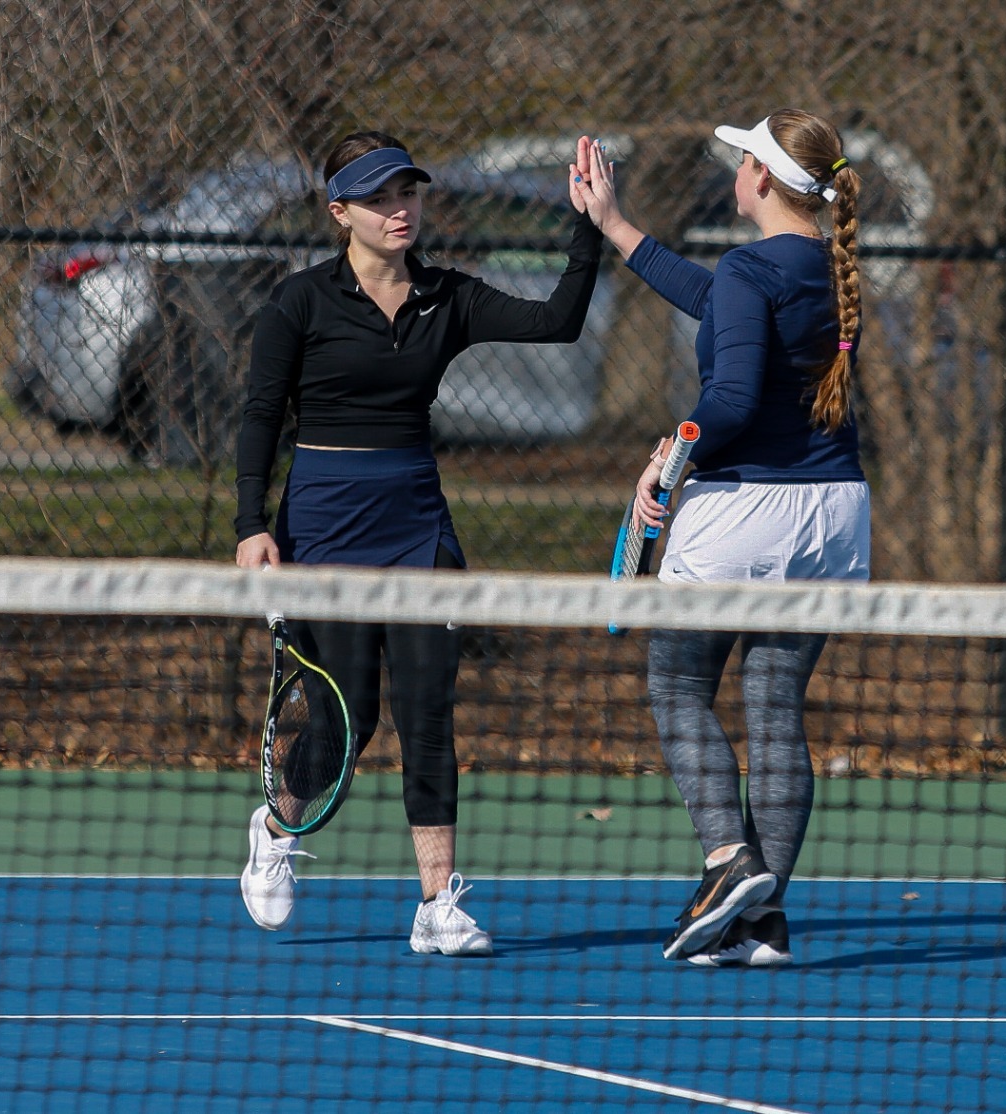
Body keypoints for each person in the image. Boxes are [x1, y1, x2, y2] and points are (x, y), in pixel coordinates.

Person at [235, 131, 602, 955]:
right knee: (347, 719)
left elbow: (559, 320)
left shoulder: (450, 297)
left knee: (429, 713)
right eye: (380, 198)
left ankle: (438, 902)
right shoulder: (298, 303)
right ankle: (276, 827)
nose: (401, 210)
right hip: (322, 530)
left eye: (409, 193)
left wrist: (586, 224)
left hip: (416, 529)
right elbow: (261, 416)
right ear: (341, 214)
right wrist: (250, 525)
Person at [573, 113, 869, 966]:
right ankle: (763, 921)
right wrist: (615, 223)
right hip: (835, 518)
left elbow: (732, 398)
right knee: (775, 710)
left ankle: (726, 860)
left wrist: (672, 458)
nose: (736, 170)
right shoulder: (833, 268)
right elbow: (717, 304)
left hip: (746, 516)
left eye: (744, 160)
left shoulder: (751, 267)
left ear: (764, 182)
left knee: (676, 688)